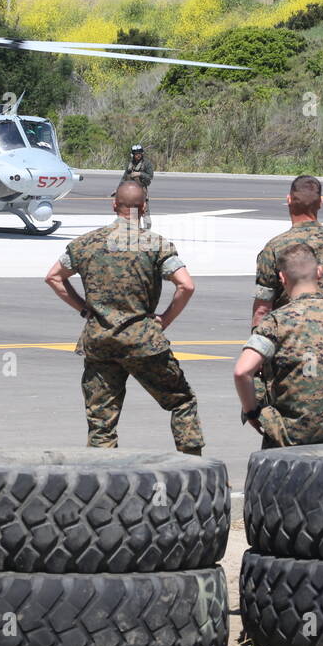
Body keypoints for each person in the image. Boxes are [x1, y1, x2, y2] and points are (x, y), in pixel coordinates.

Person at [44, 180, 204, 454]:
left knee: (101, 423)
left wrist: (84, 308)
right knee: (180, 401)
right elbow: (186, 285)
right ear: (143, 207)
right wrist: (164, 319)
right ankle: (194, 466)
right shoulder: (155, 244)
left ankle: (102, 481)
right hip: (143, 341)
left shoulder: (86, 243)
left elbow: (53, 277)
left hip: (100, 341)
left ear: (114, 205)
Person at [234, 243, 323, 447]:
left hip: (289, 439)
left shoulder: (277, 322)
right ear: (320, 272)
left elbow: (242, 371)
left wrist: (252, 411)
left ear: (282, 278)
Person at [251, 175, 323, 327]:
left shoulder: (275, 247)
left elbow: (263, 310)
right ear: (321, 203)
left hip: (290, 340)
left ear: (289, 200)